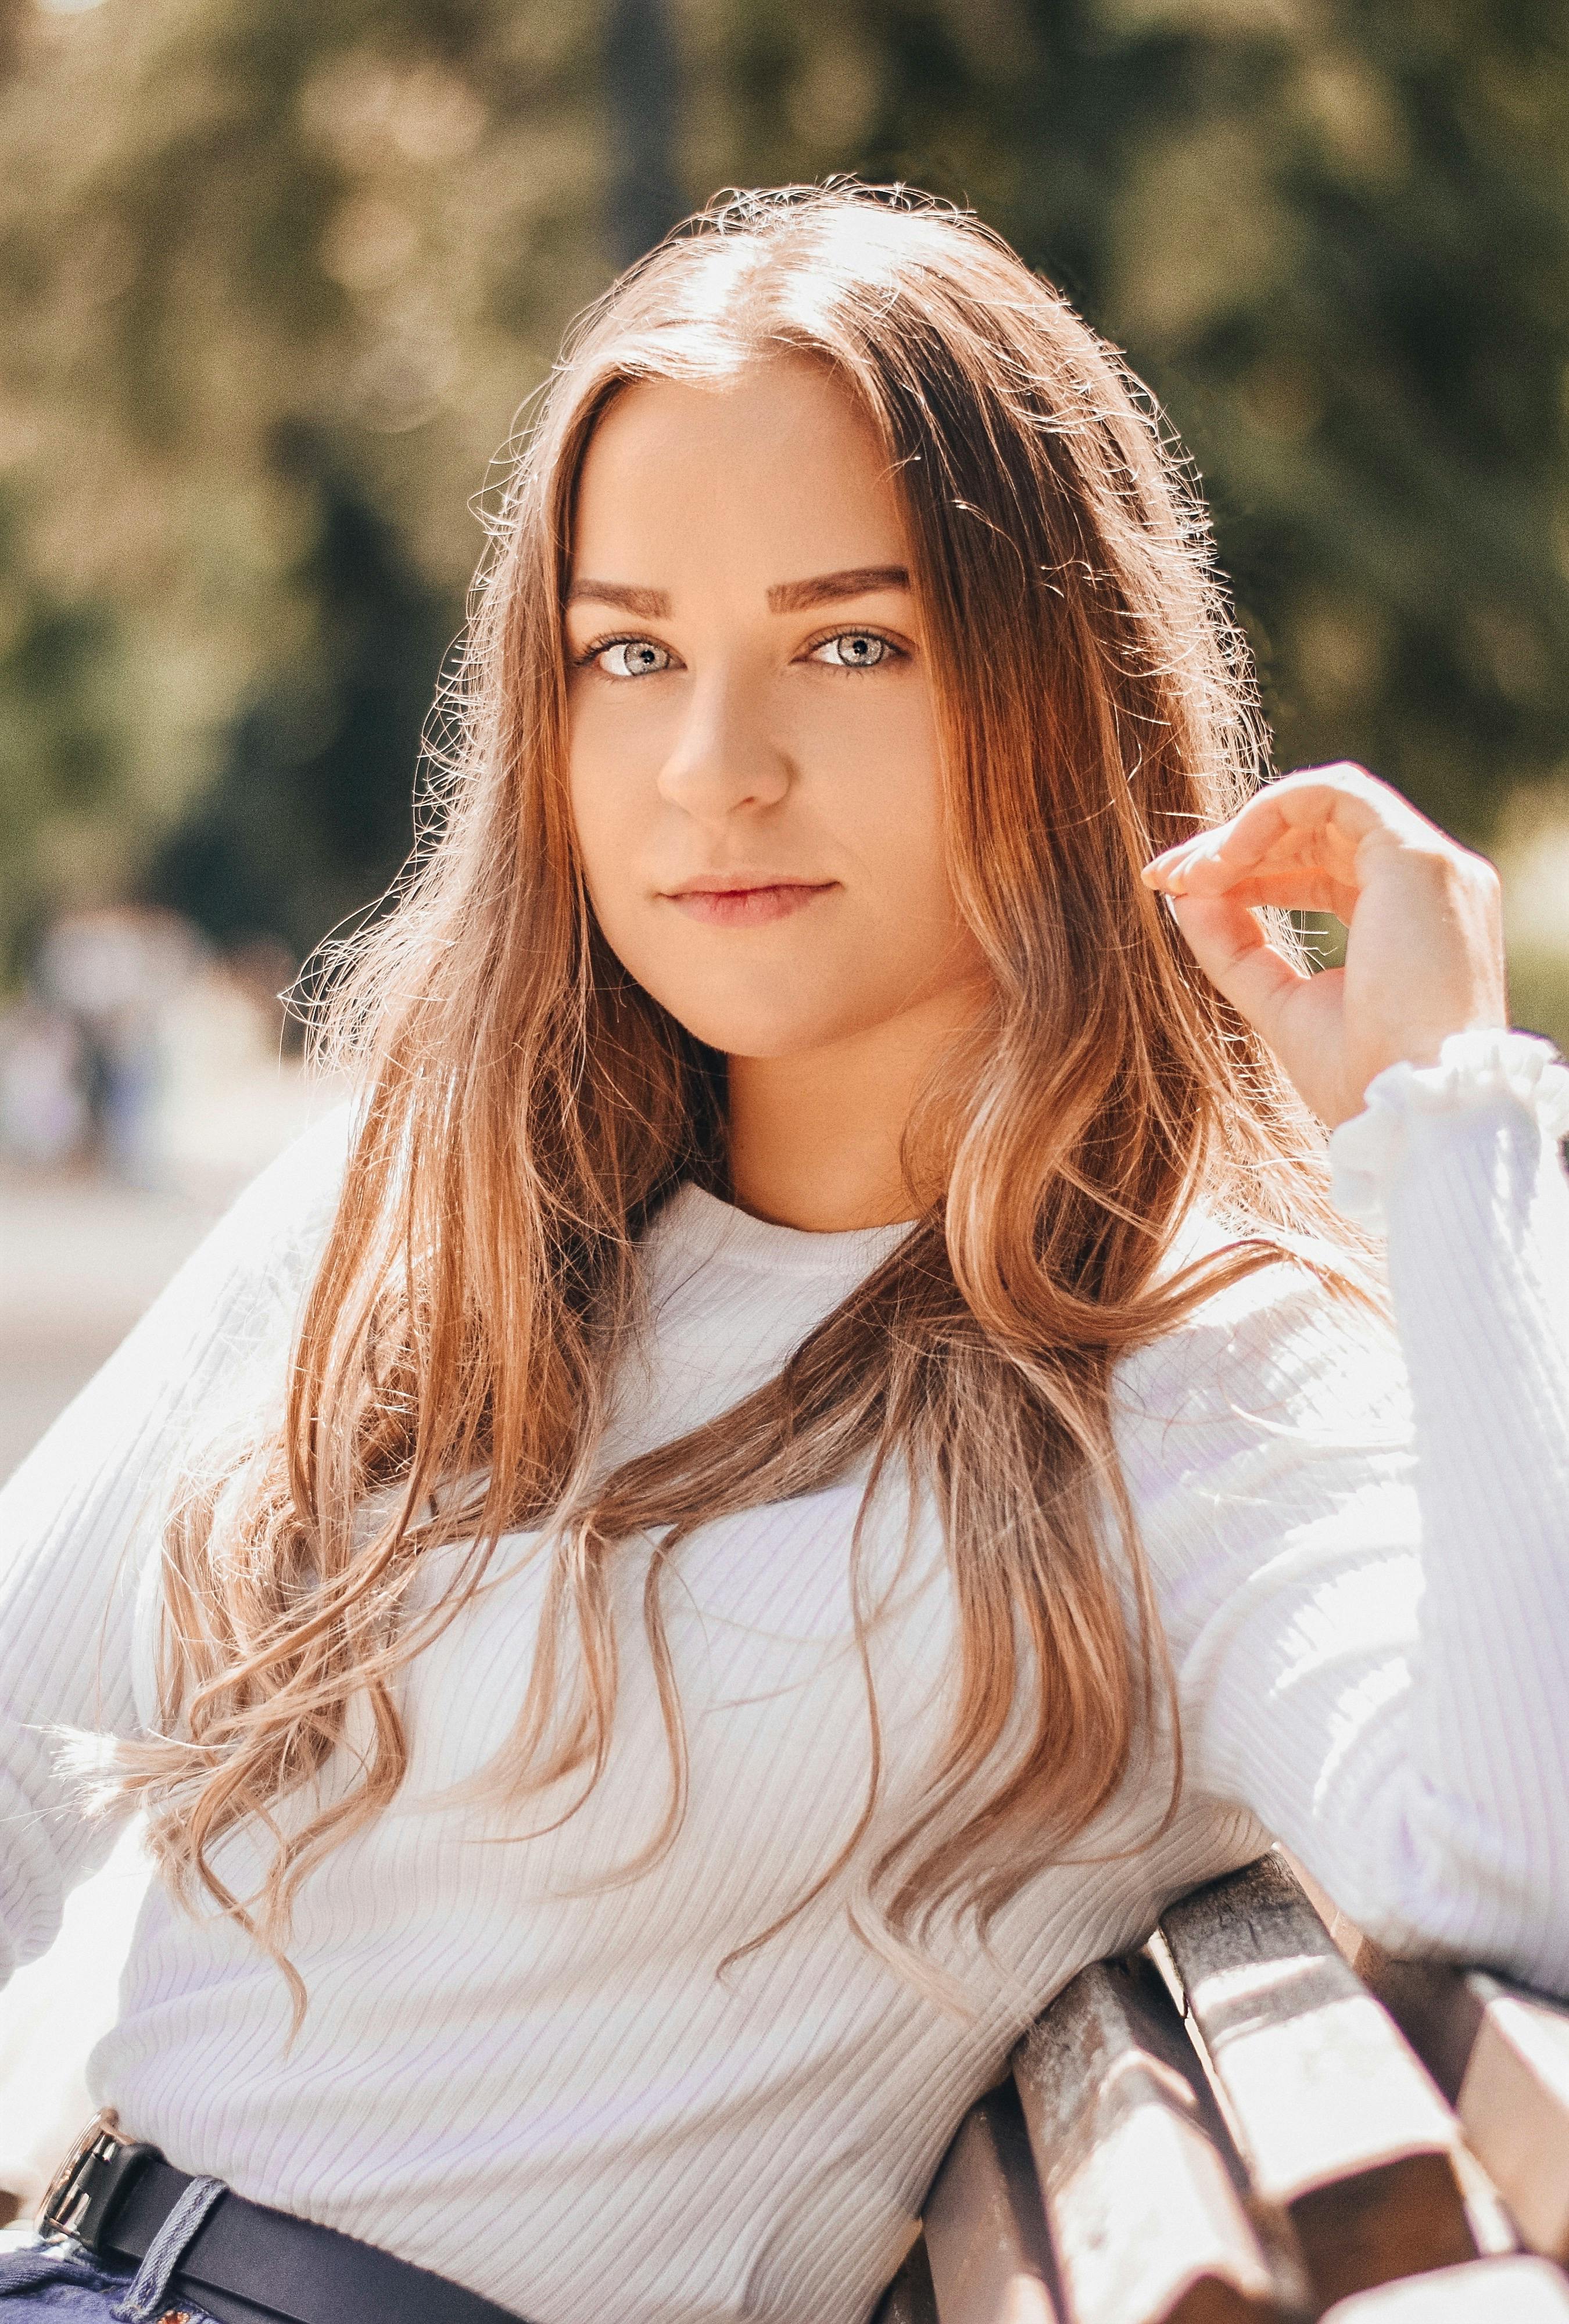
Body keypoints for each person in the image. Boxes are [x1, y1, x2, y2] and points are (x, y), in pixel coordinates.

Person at [1, 182, 1566, 2324]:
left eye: (850, 643)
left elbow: (1515, 1842)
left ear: (1058, 688)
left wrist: (1443, 1112)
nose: (709, 770)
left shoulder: (1178, 1380)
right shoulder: (440, 1188)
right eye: (629, 654)